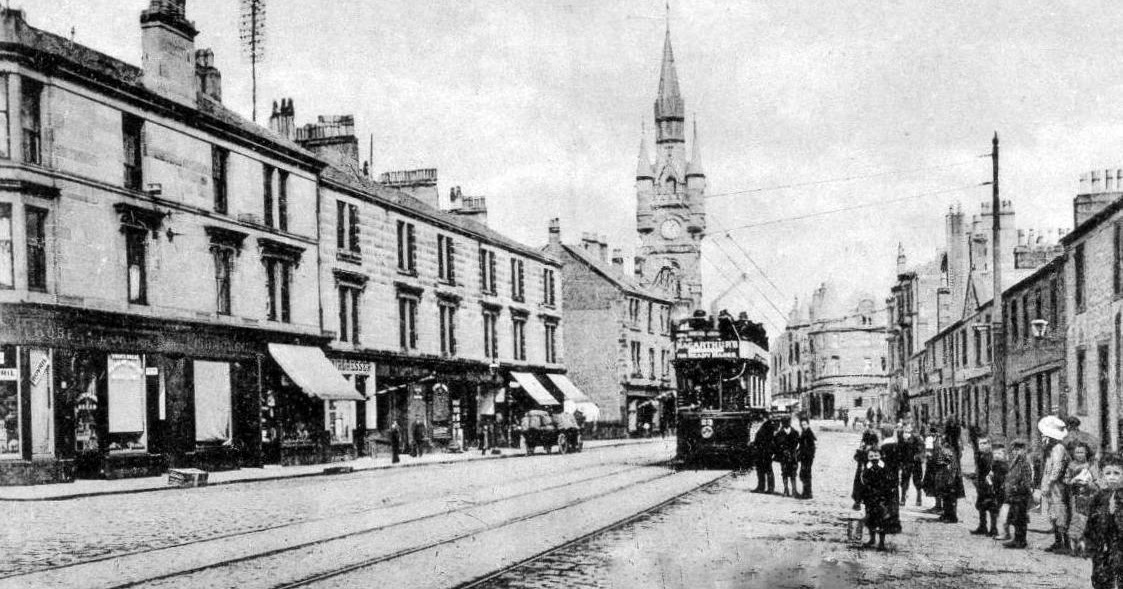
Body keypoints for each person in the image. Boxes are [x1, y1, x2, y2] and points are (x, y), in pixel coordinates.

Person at [1084, 453, 1123, 589]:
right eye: (1108, 473)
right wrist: (1089, 544)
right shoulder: (1099, 496)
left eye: (1116, 473)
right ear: (1102, 475)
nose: (1112, 477)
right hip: (1101, 544)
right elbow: (1091, 522)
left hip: (1119, 545)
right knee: (1100, 577)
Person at [1038, 415, 1071, 554]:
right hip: (1052, 486)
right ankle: (1058, 541)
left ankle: (1064, 543)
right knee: (1053, 512)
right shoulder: (1052, 449)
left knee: (1059, 512)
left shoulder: (1058, 448)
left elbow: (1057, 467)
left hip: (1057, 486)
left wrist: (1050, 482)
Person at [858, 445, 896, 551]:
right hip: (870, 497)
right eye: (871, 456)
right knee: (870, 518)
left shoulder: (885, 467)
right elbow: (862, 481)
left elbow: (890, 482)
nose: (874, 458)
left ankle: (882, 542)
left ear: (880, 456)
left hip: (882, 497)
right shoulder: (867, 467)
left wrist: (887, 494)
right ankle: (872, 538)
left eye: (876, 455)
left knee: (882, 519)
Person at [1066, 443, 1100, 558]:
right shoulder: (1071, 466)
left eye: (1082, 452)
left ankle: (1084, 547)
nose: (1079, 455)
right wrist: (1072, 482)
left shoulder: (1091, 466)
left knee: (1085, 521)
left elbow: (1097, 482)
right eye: (1077, 452)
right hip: (1075, 497)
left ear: (1086, 453)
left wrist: (1089, 484)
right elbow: (1066, 480)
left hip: (1088, 497)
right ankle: (1073, 547)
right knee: (1075, 521)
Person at [1004, 439, 1034, 549]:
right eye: (1014, 450)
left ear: (1024, 450)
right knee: (1015, 517)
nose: (1016, 452)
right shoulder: (1015, 461)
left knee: (1020, 518)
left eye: (1019, 450)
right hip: (1014, 494)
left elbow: (1027, 480)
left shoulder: (1025, 463)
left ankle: (1021, 540)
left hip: (1021, 494)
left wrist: (1019, 487)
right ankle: (1017, 538)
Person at [971, 436, 1001, 536]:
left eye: (984, 443)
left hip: (990, 485)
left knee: (992, 507)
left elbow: (996, 471)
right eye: (980, 444)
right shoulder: (980, 455)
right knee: (981, 506)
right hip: (981, 485)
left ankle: (993, 529)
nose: (982, 446)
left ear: (989, 445)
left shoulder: (993, 456)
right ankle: (982, 526)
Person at [933, 434, 962, 523]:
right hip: (946, 475)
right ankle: (947, 514)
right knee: (946, 496)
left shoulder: (950, 449)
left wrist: (951, 477)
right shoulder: (948, 448)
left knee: (950, 496)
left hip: (950, 475)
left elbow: (951, 463)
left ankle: (952, 516)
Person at [773, 417, 800, 497]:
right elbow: (776, 445)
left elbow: (797, 443)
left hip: (792, 455)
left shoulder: (795, 432)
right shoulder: (779, 434)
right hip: (783, 456)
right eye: (785, 422)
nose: (787, 423)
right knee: (784, 472)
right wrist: (782, 451)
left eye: (788, 422)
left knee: (793, 473)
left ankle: (794, 491)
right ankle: (786, 490)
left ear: (790, 422)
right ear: (782, 423)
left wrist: (794, 452)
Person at [899, 425, 925, 507]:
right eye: (905, 431)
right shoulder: (901, 439)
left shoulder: (917, 439)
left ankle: (919, 498)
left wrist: (917, 456)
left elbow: (921, 450)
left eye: (908, 432)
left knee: (917, 480)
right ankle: (903, 498)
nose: (906, 433)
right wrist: (900, 462)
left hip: (915, 463)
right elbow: (900, 452)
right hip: (906, 463)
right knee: (904, 481)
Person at [752, 418, 776, 494]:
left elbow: (768, 439)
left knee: (768, 469)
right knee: (760, 469)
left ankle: (769, 488)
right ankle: (761, 487)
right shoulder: (765, 424)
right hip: (761, 451)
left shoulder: (769, 425)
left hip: (766, 451)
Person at [797, 417, 817, 500]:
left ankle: (807, 493)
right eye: (802, 425)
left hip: (807, 457)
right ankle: (806, 492)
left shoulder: (808, 433)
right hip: (804, 457)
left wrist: (808, 455)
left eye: (804, 424)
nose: (803, 426)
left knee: (806, 474)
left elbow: (812, 446)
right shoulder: (804, 432)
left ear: (808, 424)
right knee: (804, 474)